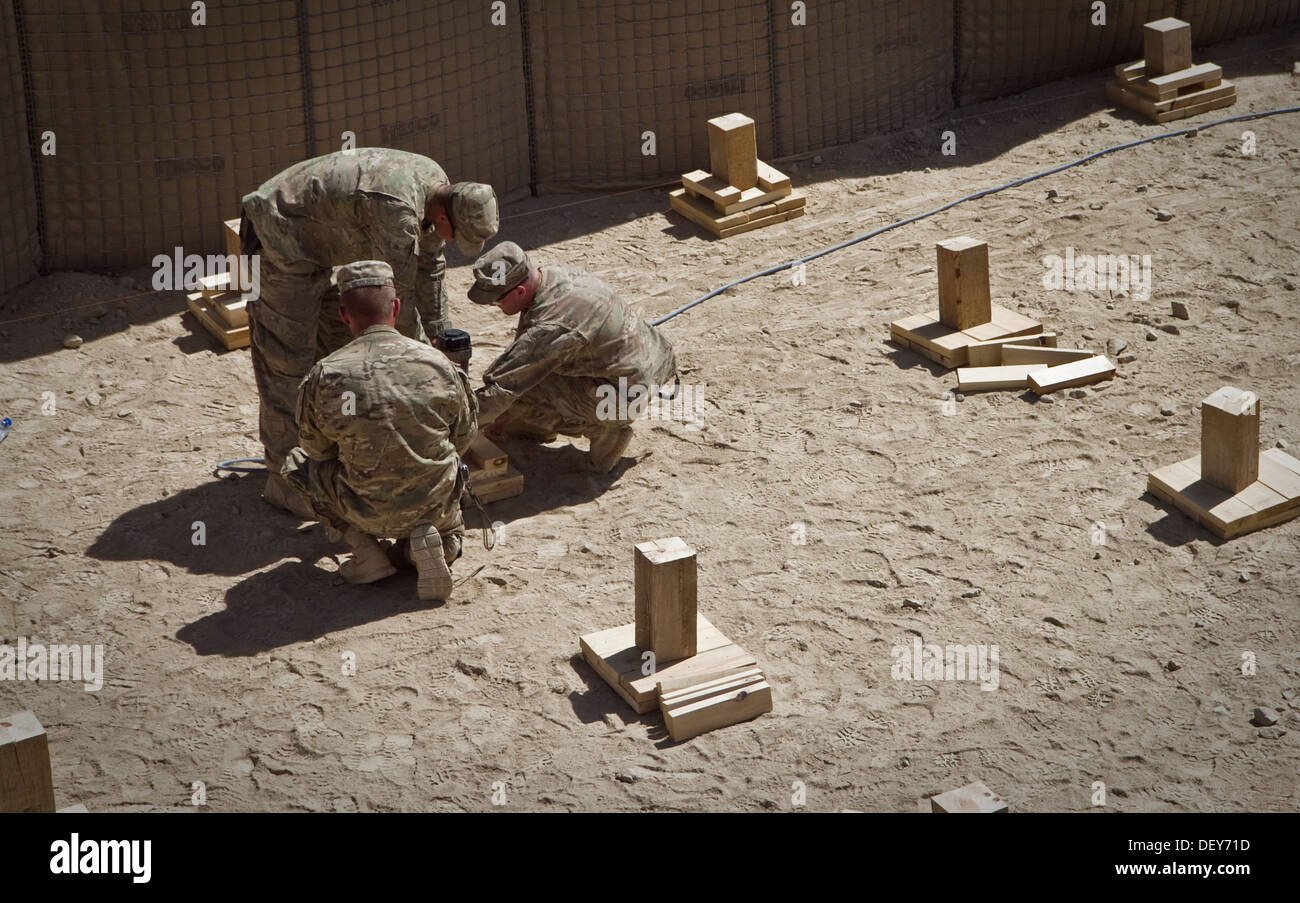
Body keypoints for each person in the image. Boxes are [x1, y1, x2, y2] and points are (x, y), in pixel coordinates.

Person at [239, 147, 497, 515]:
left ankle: (335, 451)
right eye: (455, 234)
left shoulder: (437, 187)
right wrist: (435, 370)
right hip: (278, 238)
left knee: (347, 346)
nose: (452, 242)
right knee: (287, 361)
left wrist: (441, 334)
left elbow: (431, 265)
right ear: (444, 214)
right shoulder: (398, 212)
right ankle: (285, 482)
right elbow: (400, 308)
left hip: (321, 240)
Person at [281, 260, 478, 602]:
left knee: (297, 463)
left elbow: (317, 449)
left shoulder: (325, 375)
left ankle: (365, 548)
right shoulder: (439, 364)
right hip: (434, 504)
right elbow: (464, 436)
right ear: (396, 308)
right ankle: (438, 545)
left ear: (344, 315)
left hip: (364, 508)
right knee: (447, 466)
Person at [466, 242, 678, 473]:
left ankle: (607, 431)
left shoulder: (554, 324)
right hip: (651, 361)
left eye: (496, 301)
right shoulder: (552, 277)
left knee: (522, 390)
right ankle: (535, 426)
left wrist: (457, 427)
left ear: (519, 291)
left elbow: (504, 387)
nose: (494, 306)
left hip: (625, 394)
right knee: (521, 379)